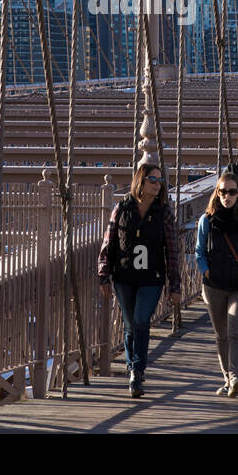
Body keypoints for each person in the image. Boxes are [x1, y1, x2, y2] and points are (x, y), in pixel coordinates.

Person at [97, 162, 182, 397]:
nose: (157, 185)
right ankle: (132, 365)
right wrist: (104, 275)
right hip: (124, 276)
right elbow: (108, 243)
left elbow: (172, 251)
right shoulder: (122, 208)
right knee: (130, 324)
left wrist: (175, 286)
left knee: (141, 321)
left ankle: (137, 371)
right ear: (140, 181)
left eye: (160, 181)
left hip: (152, 278)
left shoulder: (164, 212)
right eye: (152, 180)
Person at [195, 172, 238, 397]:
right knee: (220, 334)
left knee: (236, 330)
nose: (227, 196)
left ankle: (235, 376)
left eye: (232, 192)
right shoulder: (207, 220)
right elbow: (199, 251)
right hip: (213, 285)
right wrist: (205, 269)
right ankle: (227, 378)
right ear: (217, 193)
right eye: (223, 191)